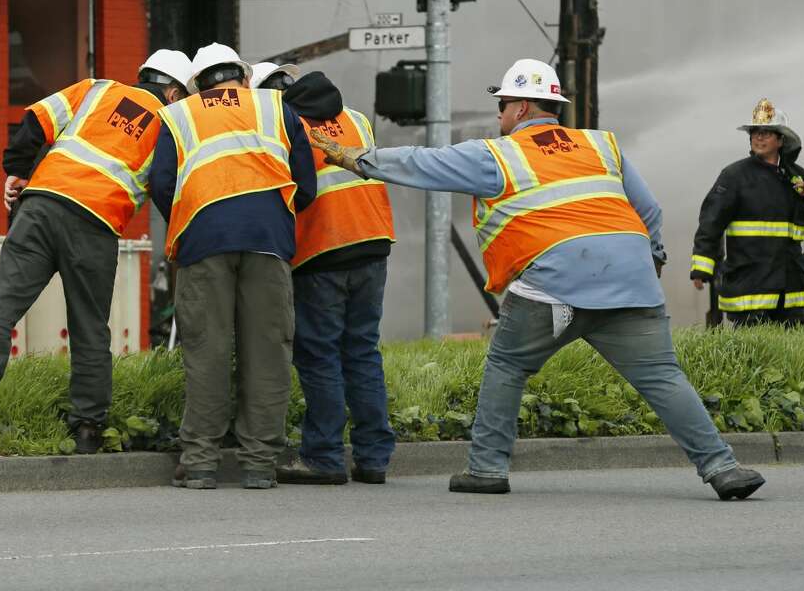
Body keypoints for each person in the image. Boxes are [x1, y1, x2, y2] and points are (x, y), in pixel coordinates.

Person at [312, 58, 766, 500]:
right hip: (631, 285)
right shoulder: (601, 146)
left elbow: (421, 163)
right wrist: (654, 258)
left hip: (555, 288)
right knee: (663, 377)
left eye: (503, 105)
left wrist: (359, 159)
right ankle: (722, 468)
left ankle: (486, 469)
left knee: (507, 365)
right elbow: (649, 210)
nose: (499, 115)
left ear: (523, 108)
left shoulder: (498, 155)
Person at [0, 50, 194, 452]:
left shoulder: (96, 89)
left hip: (40, 206)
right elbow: (166, 184)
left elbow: (35, 120)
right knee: (89, 326)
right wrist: (181, 232)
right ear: (173, 92)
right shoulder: (170, 122)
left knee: (4, 303)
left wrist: (17, 169)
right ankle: (88, 427)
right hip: (95, 225)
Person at [149, 44, 317, 490]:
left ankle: (200, 463)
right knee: (268, 351)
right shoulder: (275, 107)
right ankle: (259, 464)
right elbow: (306, 185)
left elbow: (162, 183)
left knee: (207, 350)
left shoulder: (179, 115)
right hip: (268, 241)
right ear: (243, 79)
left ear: (197, 86)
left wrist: (190, 219)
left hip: (203, 241)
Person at [251, 62, 397, 486]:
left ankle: (323, 456)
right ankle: (373, 457)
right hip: (372, 240)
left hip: (322, 248)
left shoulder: (281, 124)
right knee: (362, 351)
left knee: (320, 355)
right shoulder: (354, 117)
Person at [691, 98, 804, 328]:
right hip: (750, 291)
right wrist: (702, 267)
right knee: (755, 351)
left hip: (791, 293)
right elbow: (711, 222)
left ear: (781, 140)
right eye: (755, 132)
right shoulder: (734, 176)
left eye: (766, 133)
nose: (758, 137)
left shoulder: (796, 177)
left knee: (796, 350)